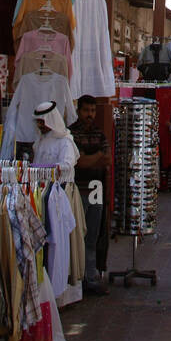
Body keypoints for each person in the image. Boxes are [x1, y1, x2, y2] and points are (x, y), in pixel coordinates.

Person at [71, 94, 111, 295]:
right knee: (77, 232)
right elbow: (78, 162)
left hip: (95, 188)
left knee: (93, 233)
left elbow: (107, 160)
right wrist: (95, 157)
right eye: (87, 110)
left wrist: (89, 157)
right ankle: (77, 276)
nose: (90, 115)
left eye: (93, 111)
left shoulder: (100, 134)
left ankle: (90, 274)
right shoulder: (71, 134)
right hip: (78, 188)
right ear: (79, 111)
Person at [32, 100, 79, 179]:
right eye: (38, 122)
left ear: (50, 121)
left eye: (42, 122)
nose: (39, 125)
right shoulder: (40, 141)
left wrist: (49, 168)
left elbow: (67, 165)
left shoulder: (65, 141)